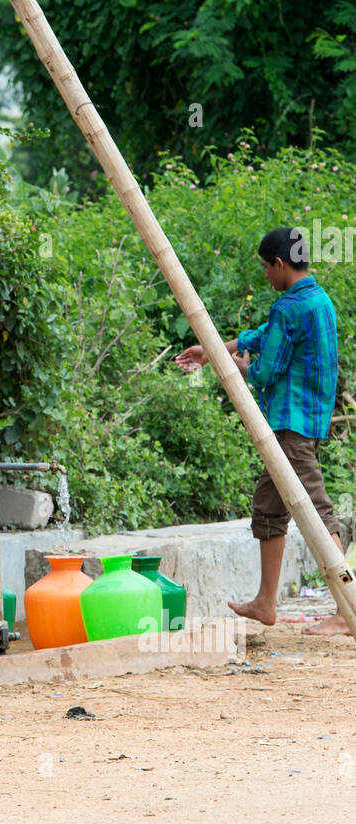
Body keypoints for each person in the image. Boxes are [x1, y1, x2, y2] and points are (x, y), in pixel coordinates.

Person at [175, 226, 350, 636]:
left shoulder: (288, 309)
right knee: (269, 508)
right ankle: (266, 603)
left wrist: (232, 366)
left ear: (279, 263)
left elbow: (266, 371)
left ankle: (346, 610)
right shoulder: (318, 301)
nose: (266, 279)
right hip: (307, 421)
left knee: (317, 511)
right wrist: (216, 347)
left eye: (266, 270)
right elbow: (264, 338)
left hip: (290, 425)